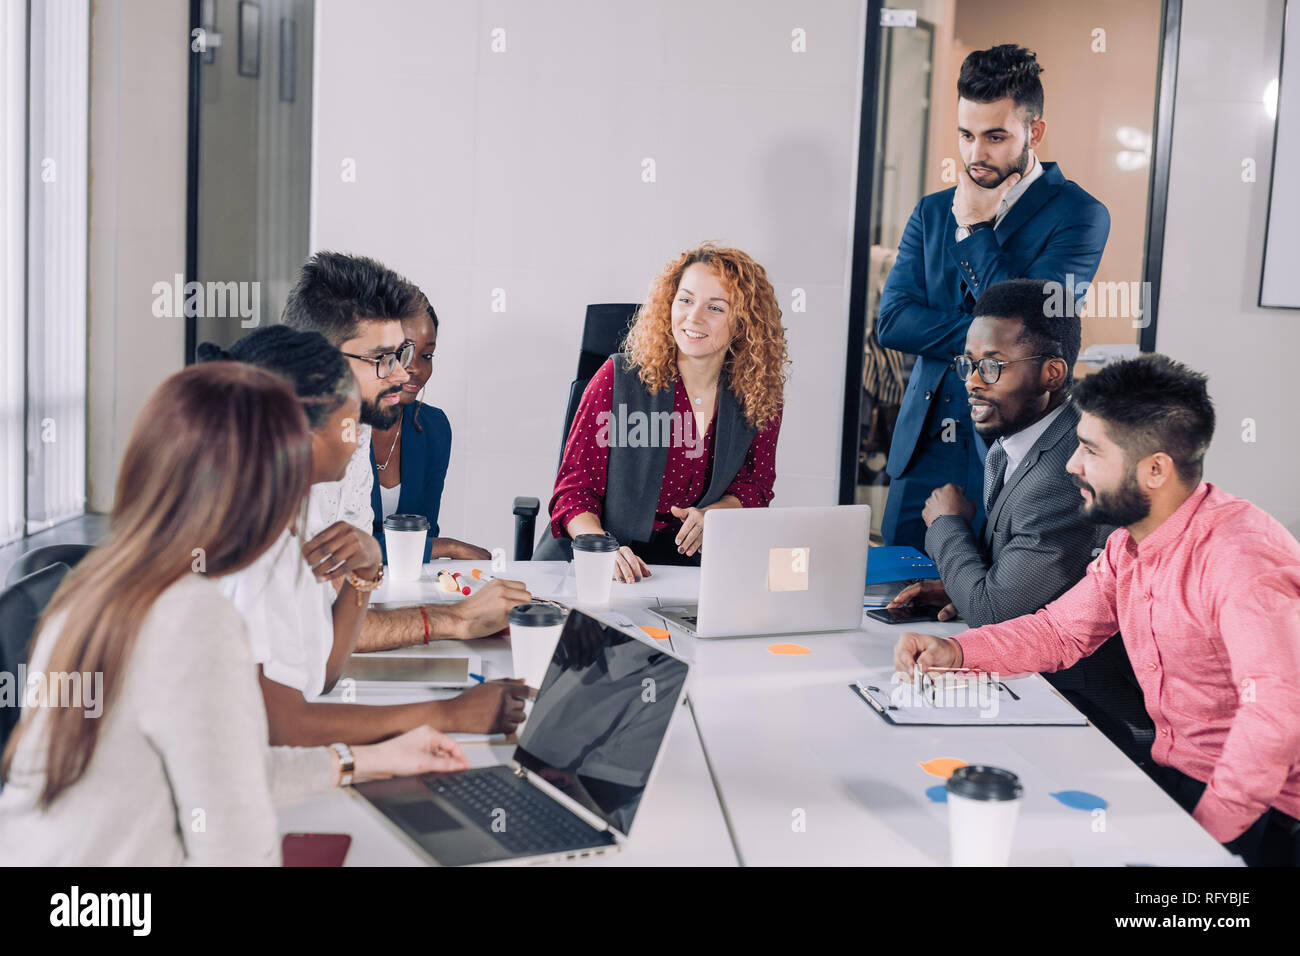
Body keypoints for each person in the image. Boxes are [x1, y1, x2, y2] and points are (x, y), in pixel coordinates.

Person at [0, 363, 469, 865]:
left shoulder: (101, 584)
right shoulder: (195, 616)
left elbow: (225, 769)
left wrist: (366, 760)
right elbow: (236, 851)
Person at [894, 355, 1300, 866]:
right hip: (1178, 778)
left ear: (1155, 469)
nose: (1072, 464)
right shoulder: (1129, 545)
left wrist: (1202, 843)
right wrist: (954, 650)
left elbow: (1275, 718)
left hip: (1267, 816)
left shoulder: (1240, 558)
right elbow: (1061, 633)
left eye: (1090, 450)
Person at [198, 327, 527, 743]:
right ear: (304, 432)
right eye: (351, 422)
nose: (361, 439)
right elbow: (282, 727)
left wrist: (367, 571)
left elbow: (324, 672)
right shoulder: (260, 550)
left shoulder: (293, 522)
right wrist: (446, 714)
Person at [886, 279, 1150, 763]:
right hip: (1029, 667)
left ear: (1052, 373)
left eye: (992, 366)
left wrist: (946, 525)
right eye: (968, 363)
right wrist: (956, 584)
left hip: (1080, 703)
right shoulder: (1020, 438)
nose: (971, 380)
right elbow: (1022, 580)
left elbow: (994, 612)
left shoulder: (1066, 468)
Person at [878, 44, 1110, 553]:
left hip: (1010, 447)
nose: (976, 154)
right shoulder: (933, 210)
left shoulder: (1080, 216)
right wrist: (992, 347)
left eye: (995, 136)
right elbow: (893, 323)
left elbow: (1040, 328)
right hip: (923, 447)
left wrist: (978, 228)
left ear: (1035, 132)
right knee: (893, 602)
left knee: (985, 609)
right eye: (965, 134)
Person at [281, 251, 530, 647]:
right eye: (383, 358)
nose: (402, 373)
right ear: (317, 358)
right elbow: (315, 636)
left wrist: (365, 568)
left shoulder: (356, 434)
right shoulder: (272, 467)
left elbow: (334, 629)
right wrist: (455, 620)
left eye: (407, 356)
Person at [542, 243, 788, 583]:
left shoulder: (759, 394)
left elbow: (755, 487)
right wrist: (600, 547)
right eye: (685, 300)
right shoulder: (616, 378)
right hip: (602, 557)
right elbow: (573, 493)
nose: (693, 317)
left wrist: (714, 516)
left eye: (715, 308)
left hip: (690, 568)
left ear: (744, 322)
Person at [368, 294, 490, 563]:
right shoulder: (337, 427)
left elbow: (424, 534)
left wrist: (434, 547)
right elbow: (337, 548)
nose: (416, 369)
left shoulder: (433, 428)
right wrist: (449, 547)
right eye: (404, 352)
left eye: (426, 355)